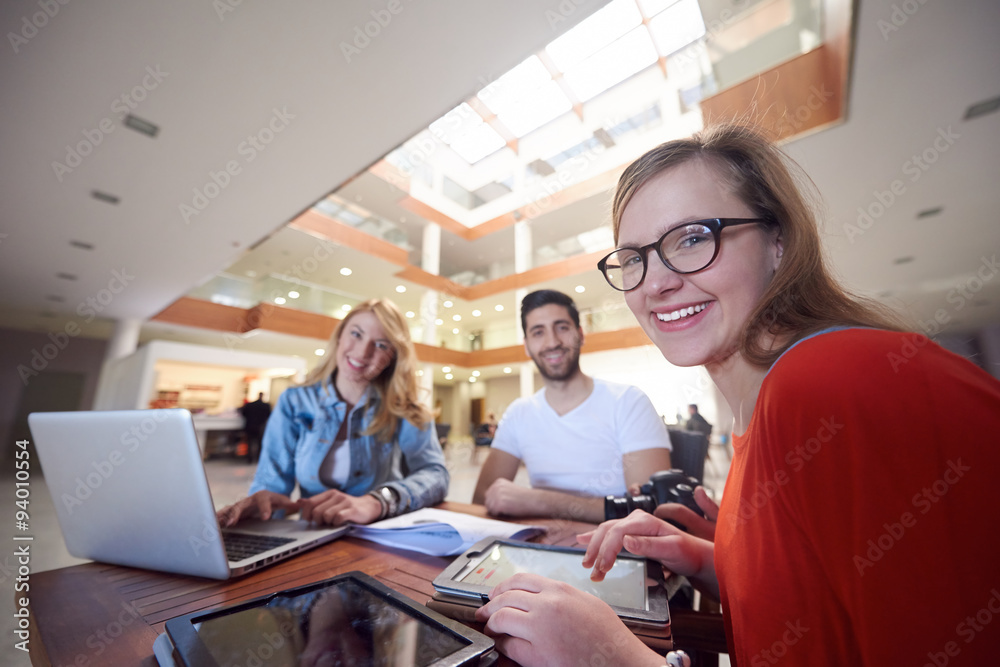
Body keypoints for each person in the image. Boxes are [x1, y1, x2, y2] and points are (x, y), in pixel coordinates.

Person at [475, 123, 1000, 666]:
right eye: (634, 258)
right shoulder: (757, 414)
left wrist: (612, 657)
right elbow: (815, 604)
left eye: (694, 237)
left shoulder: (836, 384)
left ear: (778, 241)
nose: (656, 282)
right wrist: (710, 557)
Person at [217, 298, 449, 528]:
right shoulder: (295, 401)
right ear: (340, 336)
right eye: (356, 334)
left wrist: (378, 501)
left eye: (381, 345)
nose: (362, 352)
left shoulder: (404, 409)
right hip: (310, 535)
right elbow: (272, 482)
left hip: (378, 537)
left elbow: (436, 475)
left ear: (393, 357)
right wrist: (260, 508)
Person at [472, 289, 672, 523]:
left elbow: (654, 511)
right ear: (527, 346)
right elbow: (482, 500)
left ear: (580, 334)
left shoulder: (628, 402)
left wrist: (538, 501)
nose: (552, 342)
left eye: (562, 327)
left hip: (619, 549)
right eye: (538, 332)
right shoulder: (519, 412)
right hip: (542, 548)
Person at [238, 392, 272, 463]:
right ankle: (258, 458)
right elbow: (269, 415)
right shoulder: (266, 406)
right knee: (260, 443)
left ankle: (249, 458)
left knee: (250, 442)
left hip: (250, 426)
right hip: (260, 427)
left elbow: (244, 414)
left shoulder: (249, 405)